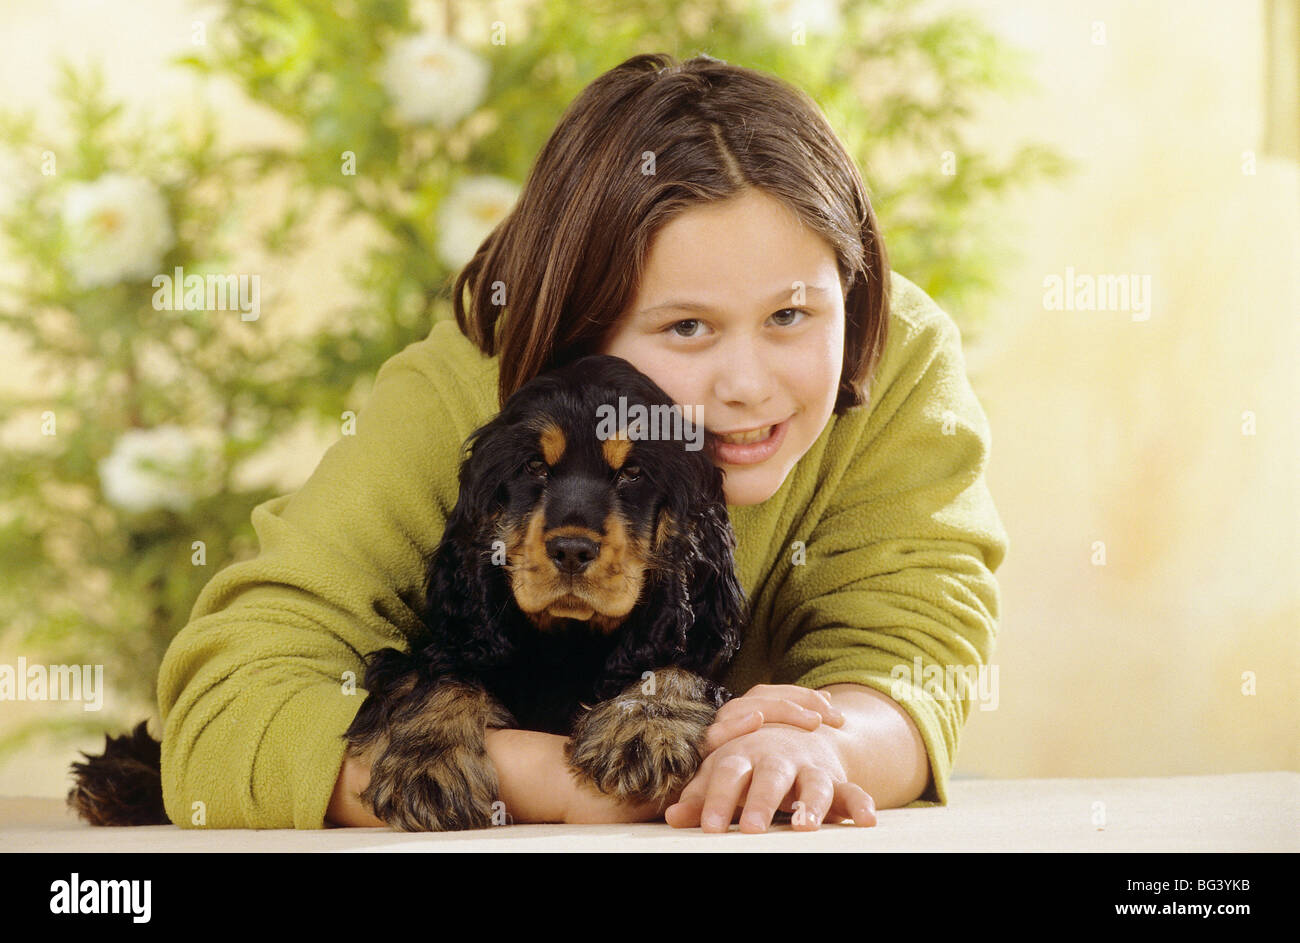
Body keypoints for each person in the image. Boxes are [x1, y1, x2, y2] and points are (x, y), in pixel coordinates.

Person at [156, 52, 1009, 833]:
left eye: (791, 314)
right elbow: (227, 709)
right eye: (685, 327)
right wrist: (555, 781)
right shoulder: (466, 389)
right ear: (578, 329)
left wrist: (819, 747)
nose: (747, 385)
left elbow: (914, 657)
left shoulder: (900, 360)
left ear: (850, 291)